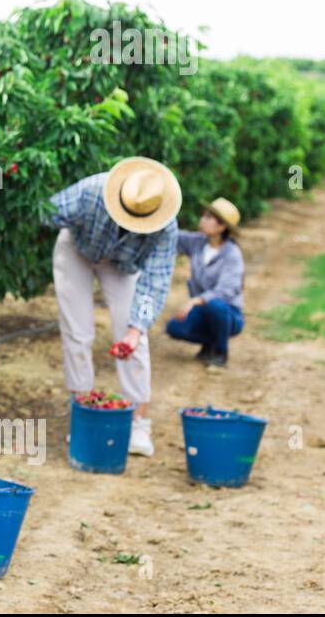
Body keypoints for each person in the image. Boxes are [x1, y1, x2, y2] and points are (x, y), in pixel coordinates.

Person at [45, 157, 181, 457]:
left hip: (121, 263)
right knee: (78, 334)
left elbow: (155, 280)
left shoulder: (165, 226)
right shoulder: (93, 190)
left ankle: (137, 422)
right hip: (77, 250)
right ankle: (84, 419)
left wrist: (136, 328)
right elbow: (47, 211)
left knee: (134, 339)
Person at [166, 198, 244, 368]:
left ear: (222, 227)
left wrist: (194, 301)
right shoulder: (197, 243)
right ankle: (211, 342)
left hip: (229, 315)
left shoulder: (232, 254)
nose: (202, 220)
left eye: (209, 218)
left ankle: (221, 352)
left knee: (216, 305)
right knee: (174, 328)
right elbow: (171, 235)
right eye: (204, 216)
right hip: (202, 311)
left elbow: (226, 291)